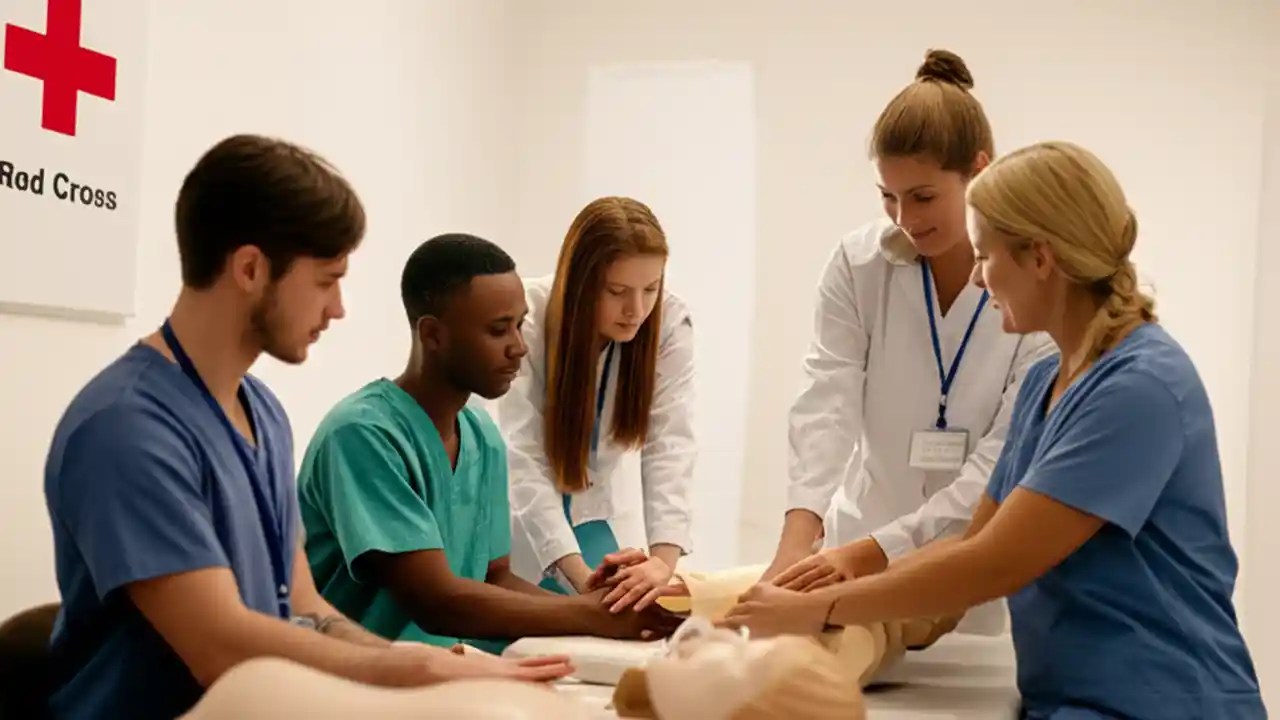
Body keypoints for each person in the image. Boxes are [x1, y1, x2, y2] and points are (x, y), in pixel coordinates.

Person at [724, 141, 1267, 719]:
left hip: (1166, 702)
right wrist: (837, 578)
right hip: (1072, 700)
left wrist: (825, 607)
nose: (979, 280)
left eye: (985, 256)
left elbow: (994, 565)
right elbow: (969, 542)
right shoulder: (1045, 384)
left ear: (1039, 257)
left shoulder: (1139, 388)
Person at [41, 136, 570, 720]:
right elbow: (223, 648)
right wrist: (420, 670)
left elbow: (305, 608)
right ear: (250, 269)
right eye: (326, 280)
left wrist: (443, 669)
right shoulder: (128, 429)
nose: (339, 307)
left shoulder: (261, 412)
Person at [761, 50, 1054, 634]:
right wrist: (797, 545)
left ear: (978, 169)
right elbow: (827, 403)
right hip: (852, 562)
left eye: (922, 197)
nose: (903, 219)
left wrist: (878, 552)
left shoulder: (1032, 278)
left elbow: (1001, 459)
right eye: (887, 197)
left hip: (968, 572)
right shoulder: (858, 262)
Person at [297, 234, 683, 651]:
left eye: (520, 325)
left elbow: (494, 578)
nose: (518, 347)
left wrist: (598, 602)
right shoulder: (362, 436)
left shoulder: (481, 435)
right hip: (354, 683)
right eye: (499, 330)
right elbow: (437, 601)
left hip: (447, 674)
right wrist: (590, 616)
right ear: (433, 335)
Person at [498, 196, 696, 613]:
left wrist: (662, 564)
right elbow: (522, 455)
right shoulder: (528, 318)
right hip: (517, 524)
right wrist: (578, 578)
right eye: (617, 291)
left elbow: (670, 445)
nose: (636, 310)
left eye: (651, 289)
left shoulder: (670, 321)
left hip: (595, 520)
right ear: (582, 281)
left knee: (625, 619)